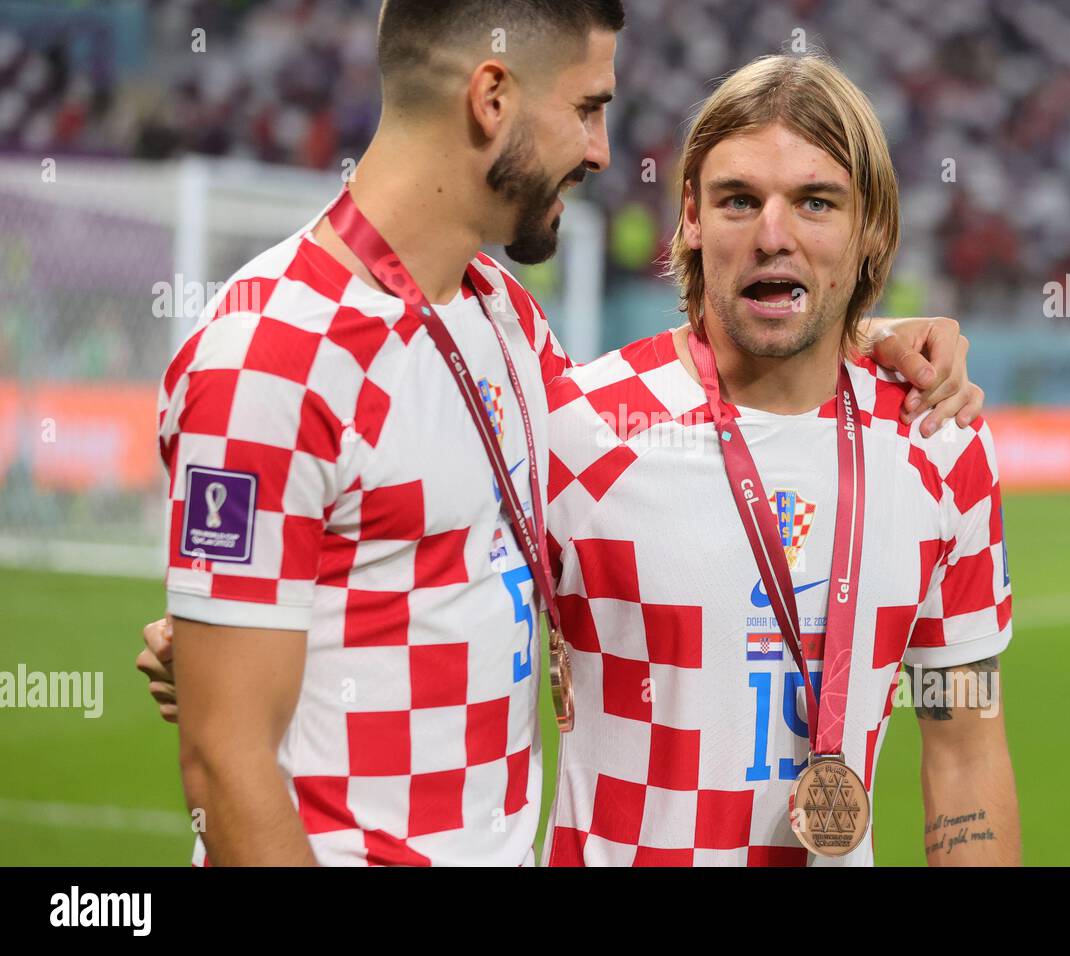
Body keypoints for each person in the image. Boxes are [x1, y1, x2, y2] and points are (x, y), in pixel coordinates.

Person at [135, 5, 986, 866]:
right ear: (492, 98)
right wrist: (222, 665)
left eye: (815, 204)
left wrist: (872, 334)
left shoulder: (504, 325)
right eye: (587, 108)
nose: (602, 150)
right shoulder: (272, 354)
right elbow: (226, 763)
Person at [539, 54, 1019, 866]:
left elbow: (965, 749)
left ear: (871, 228)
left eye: (815, 202)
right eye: (738, 200)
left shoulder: (941, 440)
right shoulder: (580, 431)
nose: (772, 234)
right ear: (690, 218)